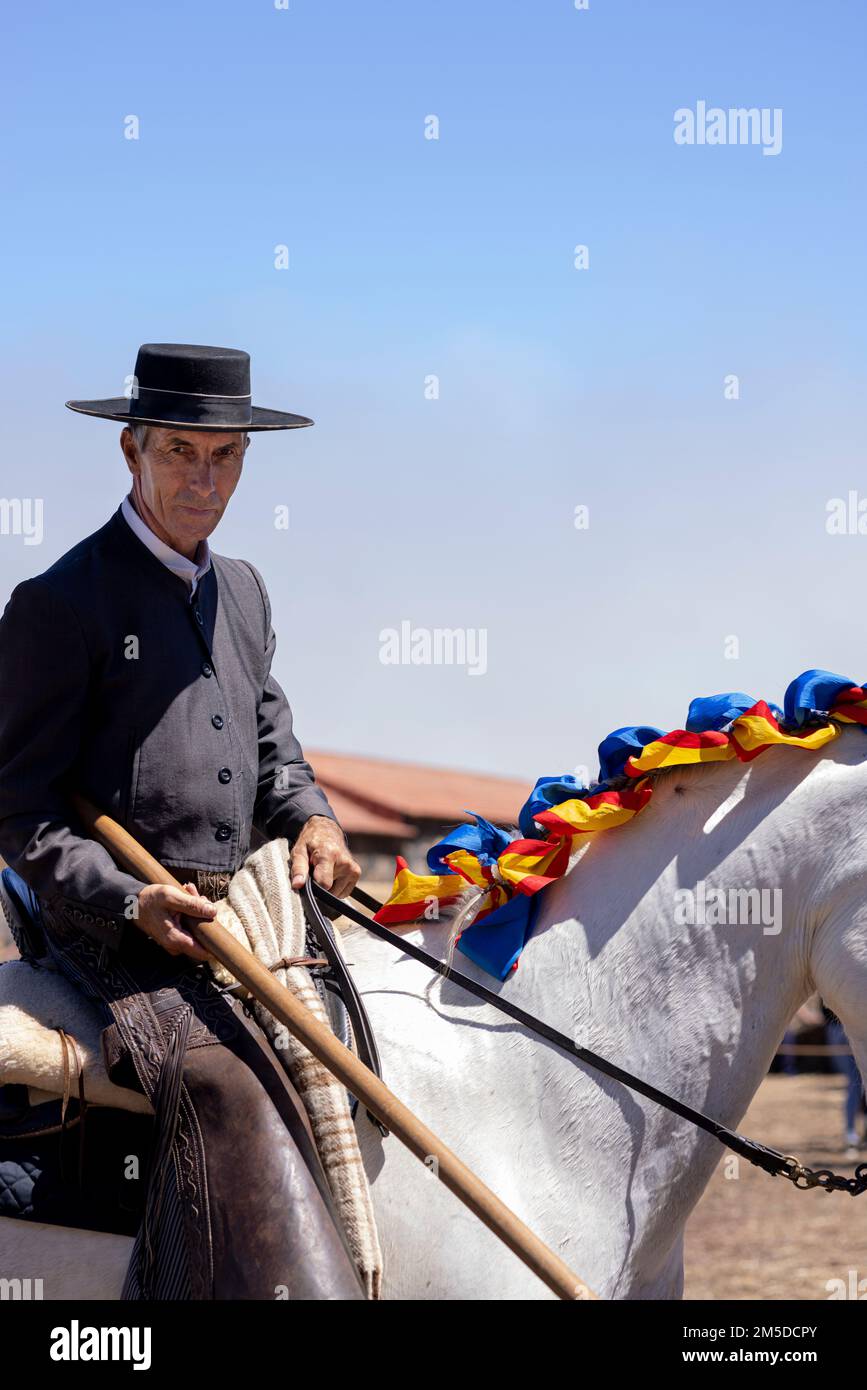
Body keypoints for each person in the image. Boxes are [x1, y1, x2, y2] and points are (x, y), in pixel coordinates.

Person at [0, 342, 365, 1299]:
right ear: (131, 451)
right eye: (179, 453)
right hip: (115, 928)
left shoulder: (242, 590)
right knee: (229, 1083)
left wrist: (314, 819)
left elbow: (274, 750)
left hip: (248, 905)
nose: (204, 479)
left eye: (225, 456)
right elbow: (19, 812)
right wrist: (130, 903)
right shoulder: (57, 603)